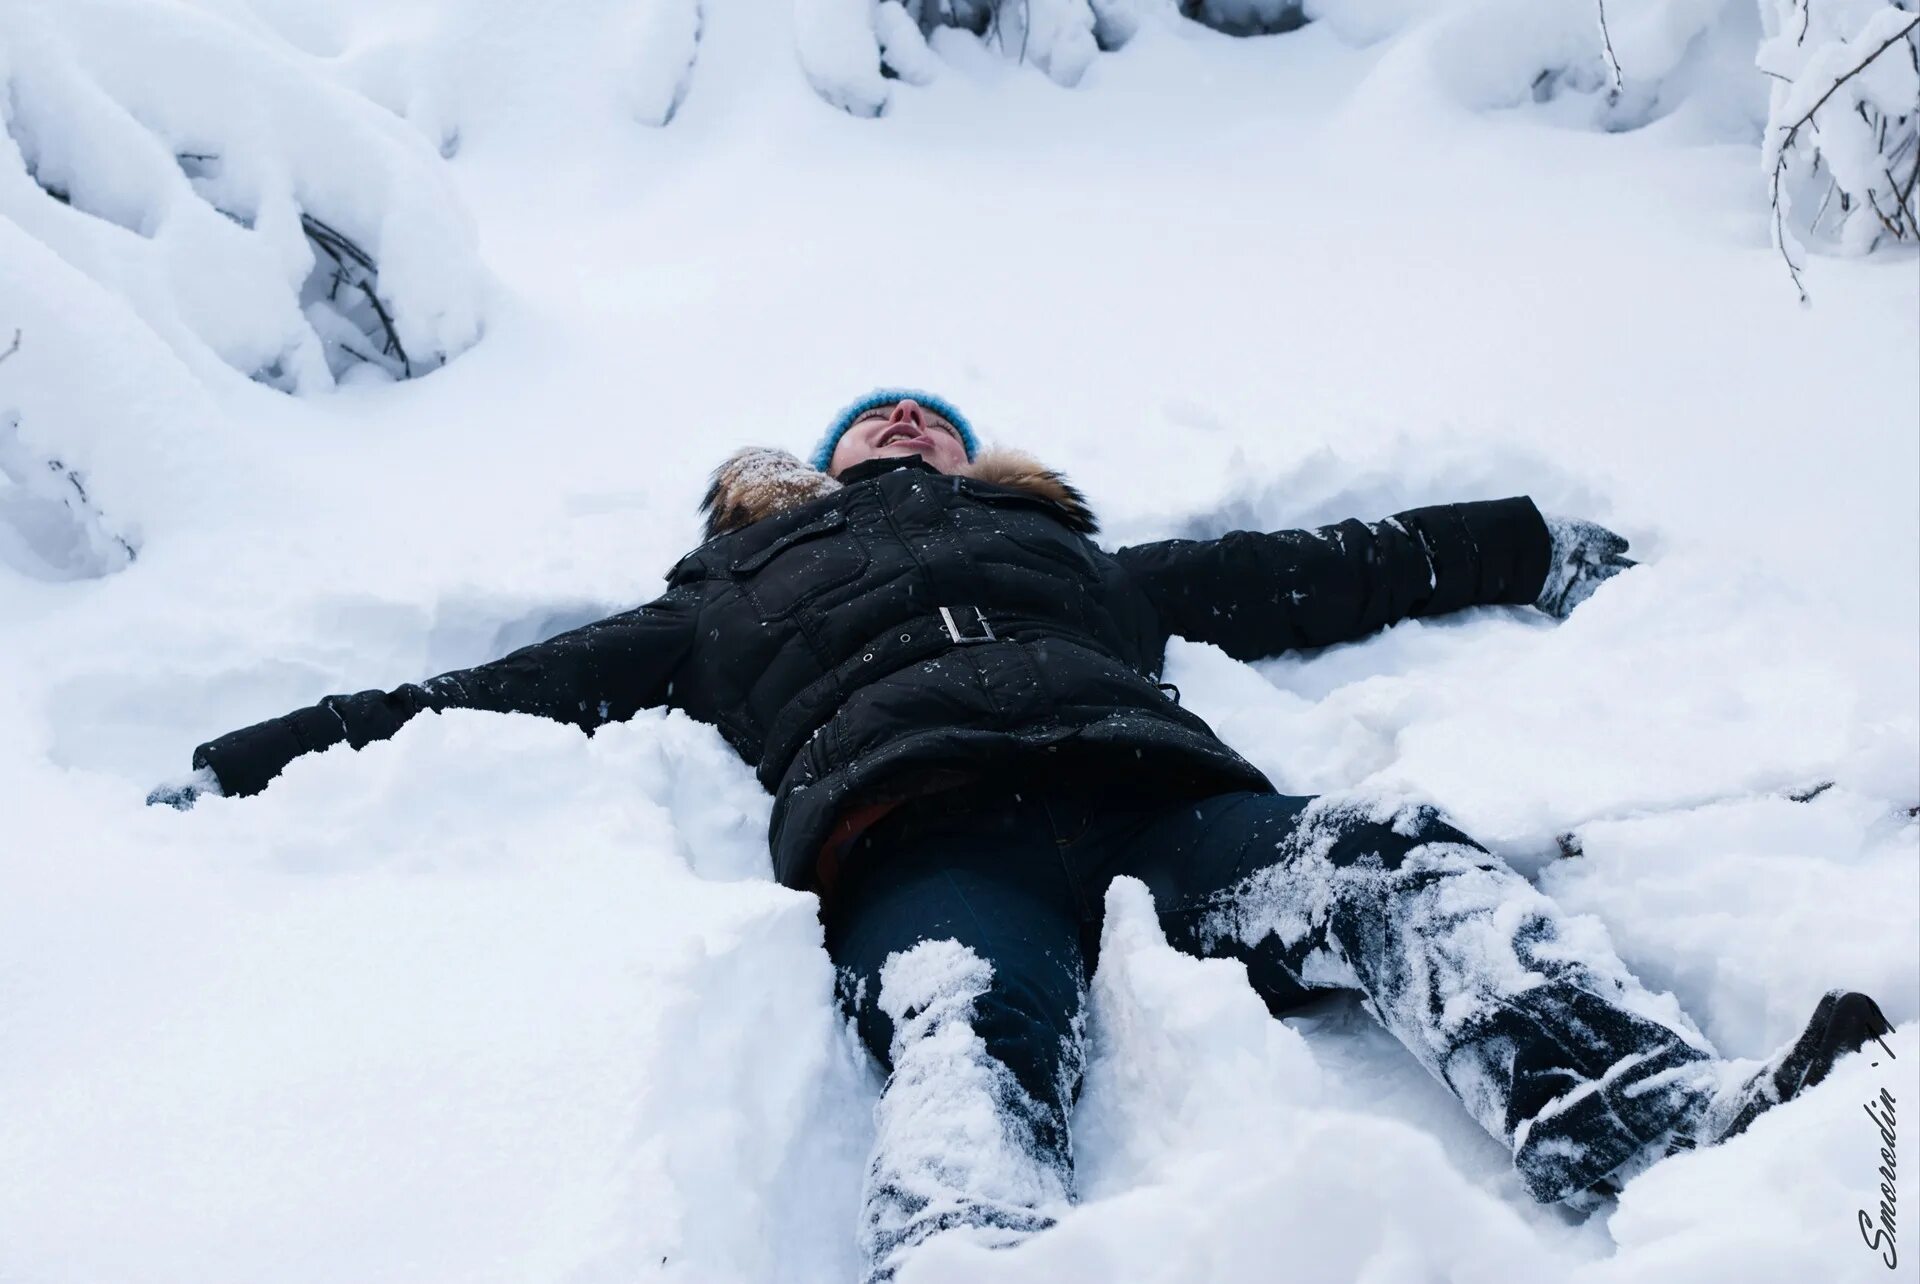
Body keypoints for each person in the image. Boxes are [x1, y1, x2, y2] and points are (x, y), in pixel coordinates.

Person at [152, 390, 1890, 1282]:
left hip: (1159, 797)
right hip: (920, 832)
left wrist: (1526, 542)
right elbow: (491, 692)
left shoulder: (1075, 559)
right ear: (792, 479)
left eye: (931, 419)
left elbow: (1318, 566)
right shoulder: (722, 599)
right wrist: (246, 762)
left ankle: (1656, 1129)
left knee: (1390, 862)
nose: (901, 427)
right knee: (955, 1022)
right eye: (867, 421)